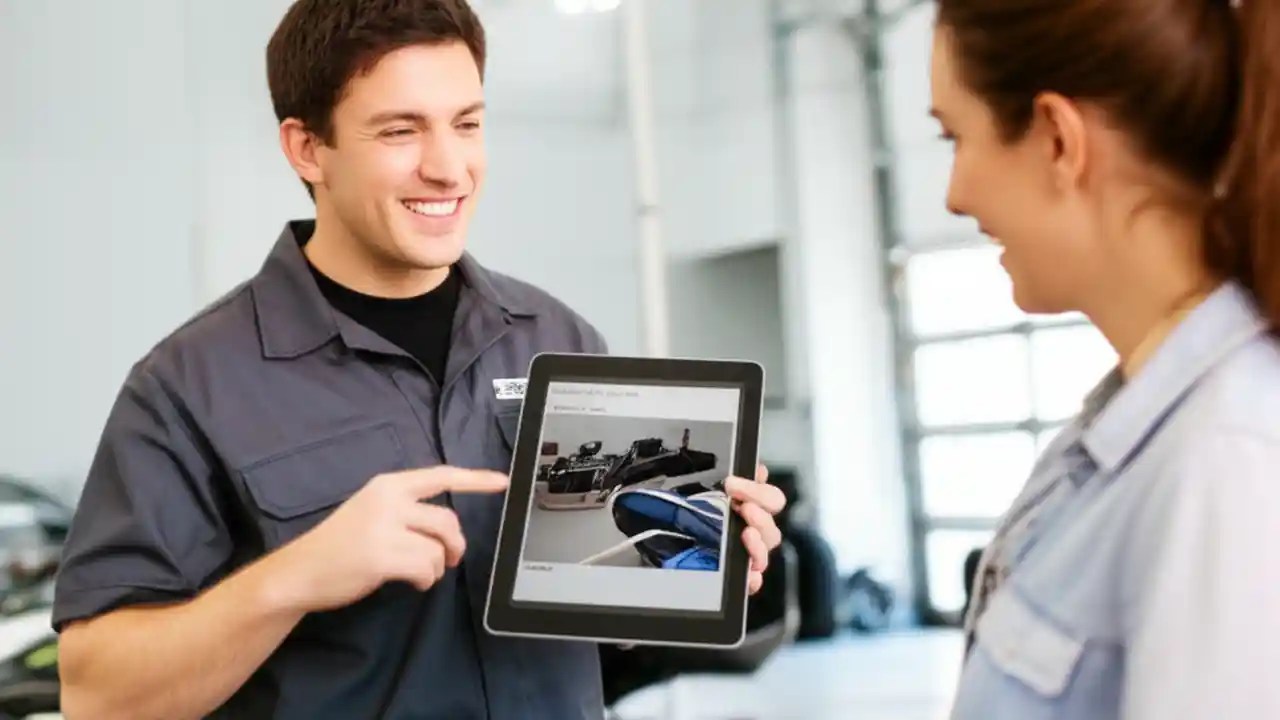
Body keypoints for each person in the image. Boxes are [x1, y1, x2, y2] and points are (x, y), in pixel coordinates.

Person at [50, 1, 786, 718]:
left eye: (466, 124)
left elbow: (606, 617)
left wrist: (703, 565)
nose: (448, 167)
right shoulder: (189, 388)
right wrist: (293, 579)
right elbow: (97, 698)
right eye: (400, 131)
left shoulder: (555, 337)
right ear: (308, 148)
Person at [929, 0, 1280, 718]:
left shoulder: (1224, 459)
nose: (955, 194)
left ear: (1059, 138)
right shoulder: (1121, 436)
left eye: (955, 137)